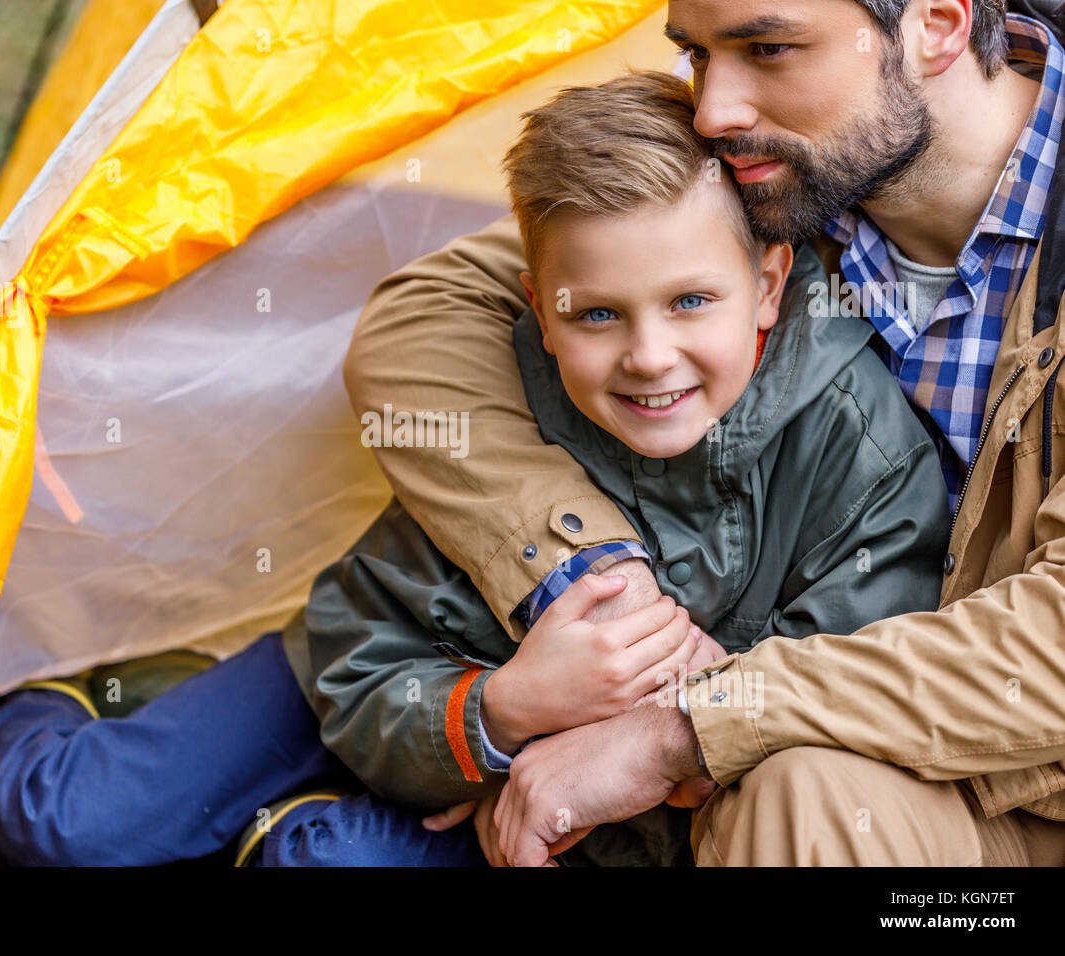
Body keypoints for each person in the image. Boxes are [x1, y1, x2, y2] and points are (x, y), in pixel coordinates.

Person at [342, 0, 1065, 866]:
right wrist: (594, 579)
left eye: (767, 47)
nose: (713, 110)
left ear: (937, 26)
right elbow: (429, 313)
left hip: (1033, 785)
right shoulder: (787, 180)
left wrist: (681, 722)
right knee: (805, 791)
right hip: (880, 777)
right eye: (695, 54)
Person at [253, 70, 949, 867]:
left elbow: (854, 703)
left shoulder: (861, 455)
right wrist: (502, 714)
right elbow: (363, 654)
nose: (650, 359)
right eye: (596, 315)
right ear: (540, 313)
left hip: (684, 835)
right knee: (290, 849)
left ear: (767, 285)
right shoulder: (517, 411)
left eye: (691, 301)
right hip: (501, 802)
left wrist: (658, 736)